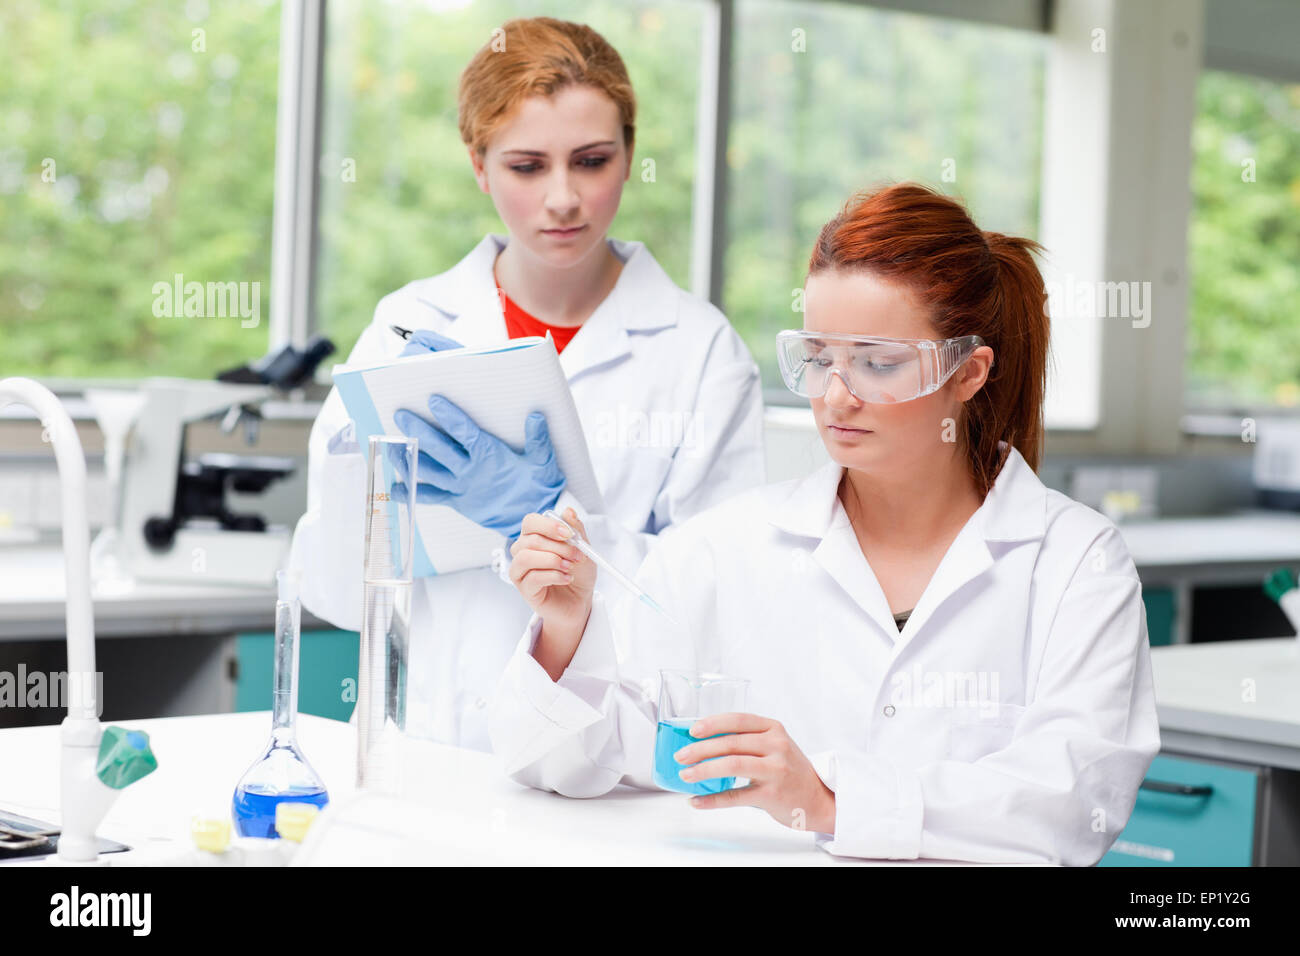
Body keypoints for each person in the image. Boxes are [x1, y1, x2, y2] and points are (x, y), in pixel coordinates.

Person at [490, 183, 1161, 865]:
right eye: (818, 358)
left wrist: (831, 802)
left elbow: (1075, 803)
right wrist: (564, 634)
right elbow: (568, 762)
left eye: (877, 362)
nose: (837, 395)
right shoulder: (723, 549)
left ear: (968, 372)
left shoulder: (1076, 563)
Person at [290, 18, 764, 750]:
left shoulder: (701, 355)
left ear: (630, 154)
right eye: (526, 166)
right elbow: (330, 595)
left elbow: (713, 615)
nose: (564, 198)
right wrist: (361, 479)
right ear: (479, 166)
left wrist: (549, 519)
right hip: (421, 751)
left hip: (595, 757)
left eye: (592, 160)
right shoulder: (406, 325)